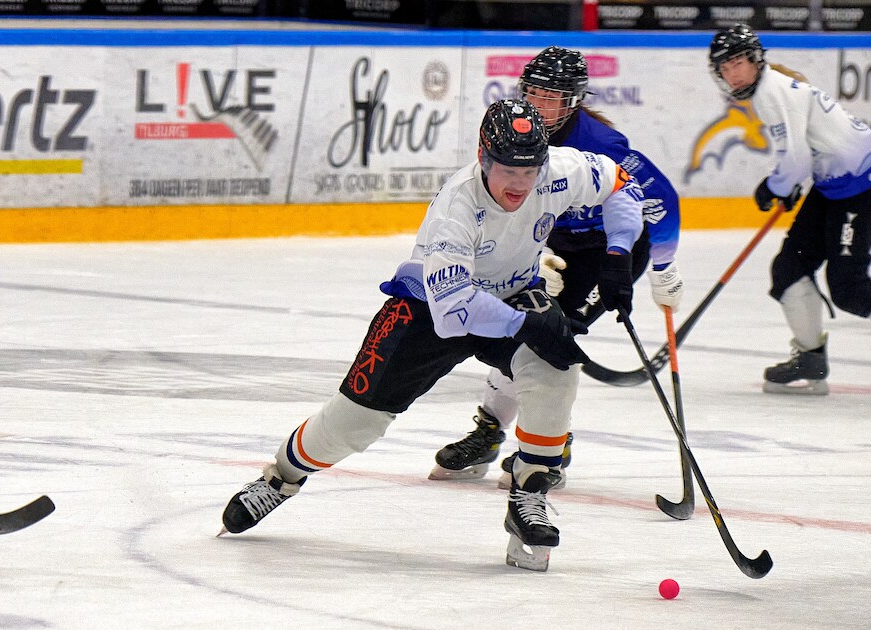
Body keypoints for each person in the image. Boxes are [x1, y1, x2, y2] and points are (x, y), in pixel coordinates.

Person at [219, 99, 645, 572]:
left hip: (513, 293)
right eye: (508, 170)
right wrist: (527, 323)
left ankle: (529, 493)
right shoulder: (456, 206)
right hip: (428, 308)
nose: (520, 184)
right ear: (484, 159)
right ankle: (281, 478)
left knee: (555, 367)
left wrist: (617, 256)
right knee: (353, 424)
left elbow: (620, 185)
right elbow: (456, 307)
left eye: (530, 170)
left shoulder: (558, 169)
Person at [428, 46, 684, 487]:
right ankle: (490, 433)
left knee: (553, 336)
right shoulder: (515, 134)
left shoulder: (603, 146)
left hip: (609, 254)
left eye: (554, 98)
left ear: (574, 101)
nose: (543, 107)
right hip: (557, 246)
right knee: (522, 330)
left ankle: (552, 443)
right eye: (536, 94)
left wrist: (663, 269)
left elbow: (661, 200)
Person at [710, 24, 871, 395]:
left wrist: (776, 186)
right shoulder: (773, 89)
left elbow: (795, 160)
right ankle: (811, 357)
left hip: (860, 185)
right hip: (833, 185)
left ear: (755, 60)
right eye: (724, 67)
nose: (732, 72)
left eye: (737, 62)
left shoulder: (771, 92)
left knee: (849, 289)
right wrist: (790, 181)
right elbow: (809, 150)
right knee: (789, 269)